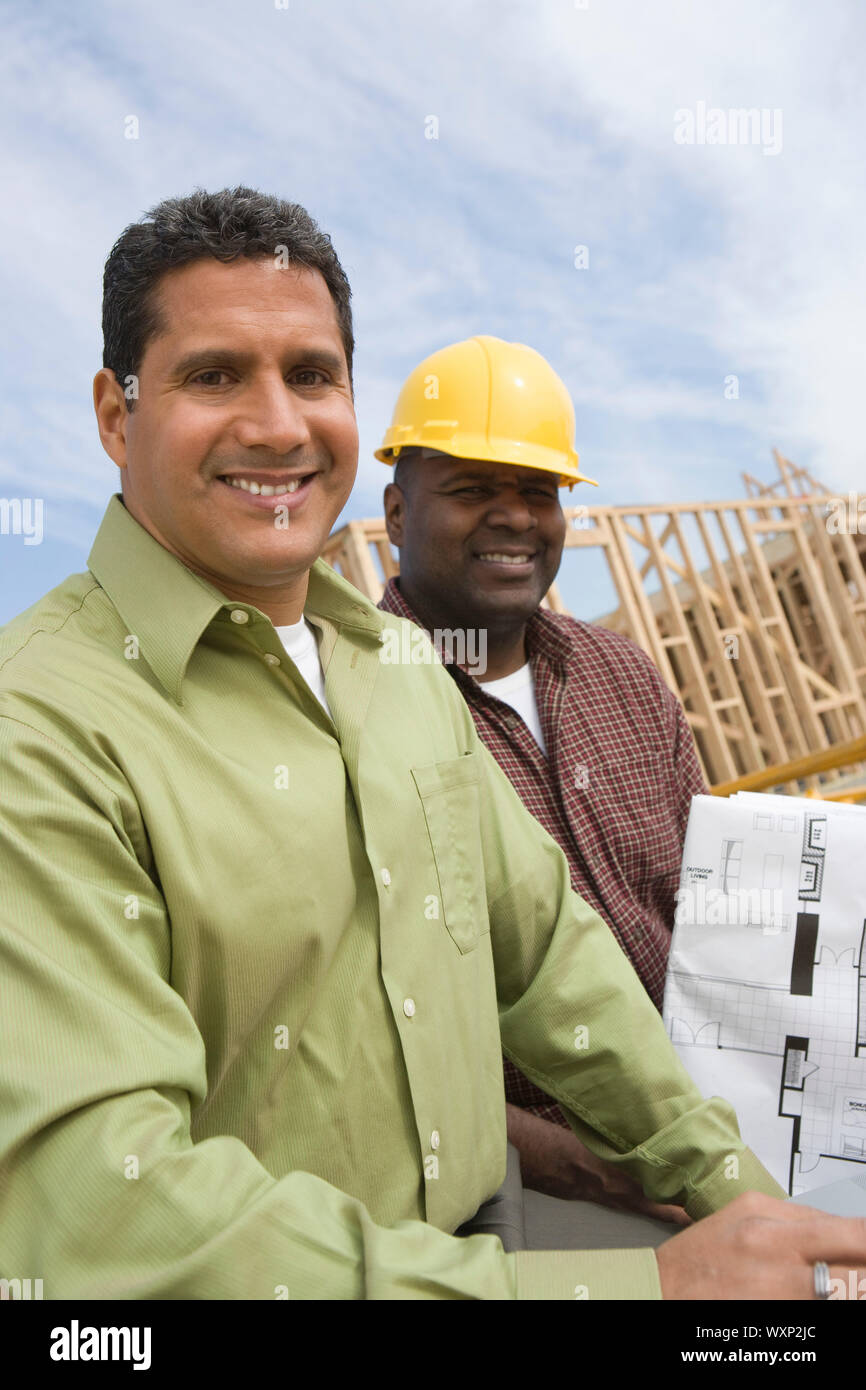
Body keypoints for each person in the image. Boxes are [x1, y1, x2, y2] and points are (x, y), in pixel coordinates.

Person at [0, 187, 861, 1302]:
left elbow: (548, 956)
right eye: (214, 375)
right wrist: (650, 1291)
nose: (276, 424)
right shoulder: (45, 729)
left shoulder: (395, 675)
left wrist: (731, 1193)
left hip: (490, 1220)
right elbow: (110, 1218)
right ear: (117, 417)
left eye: (311, 375)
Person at [375, 337, 706, 1225]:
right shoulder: (350, 714)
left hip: (706, 1135)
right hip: (518, 1189)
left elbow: (709, 913)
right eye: (473, 490)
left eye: (537, 491)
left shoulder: (623, 679)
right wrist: (589, 1166)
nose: (515, 518)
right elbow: (366, 1035)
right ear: (396, 511)